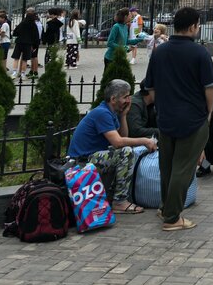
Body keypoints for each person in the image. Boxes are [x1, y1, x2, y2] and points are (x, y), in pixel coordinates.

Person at [143, 6, 213, 231]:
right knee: (183, 168)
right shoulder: (199, 52)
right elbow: (210, 87)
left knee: (166, 166)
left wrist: (162, 105)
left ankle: (165, 206)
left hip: (165, 117)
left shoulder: (160, 51)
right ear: (194, 26)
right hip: (192, 119)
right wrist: (208, 112)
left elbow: (150, 87)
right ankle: (172, 217)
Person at [67, 78, 156, 215]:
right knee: (125, 153)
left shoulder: (111, 113)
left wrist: (123, 116)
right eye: (125, 97)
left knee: (125, 150)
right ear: (113, 99)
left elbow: (123, 136)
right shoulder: (102, 113)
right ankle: (119, 201)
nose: (129, 100)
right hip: (81, 163)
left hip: (91, 157)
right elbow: (118, 142)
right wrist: (145, 140)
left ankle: (114, 196)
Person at [11, 8, 41, 79]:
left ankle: (14, 73)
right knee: (25, 59)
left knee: (16, 58)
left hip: (19, 42)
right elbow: (36, 36)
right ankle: (23, 74)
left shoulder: (22, 23)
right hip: (28, 43)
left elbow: (15, 32)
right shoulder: (33, 24)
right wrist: (35, 46)